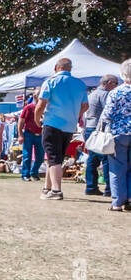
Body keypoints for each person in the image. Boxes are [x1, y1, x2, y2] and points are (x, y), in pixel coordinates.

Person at [34, 57, 89, 200]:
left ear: (56, 68)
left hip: (52, 123)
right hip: (69, 126)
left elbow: (40, 105)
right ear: (70, 69)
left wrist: (37, 119)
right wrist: (75, 115)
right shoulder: (80, 84)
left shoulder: (50, 82)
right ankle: (47, 188)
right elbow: (85, 106)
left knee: (53, 158)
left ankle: (56, 191)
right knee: (55, 158)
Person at [100, 59, 131, 211]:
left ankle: (118, 202)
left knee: (117, 168)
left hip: (119, 134)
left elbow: (107, 115)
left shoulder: (115, 92)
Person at [84, 74, 118, 196]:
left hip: (89, 127)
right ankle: (109, 189)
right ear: (109, 83)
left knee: (92, 159)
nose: (116, 86)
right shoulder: (105, 94)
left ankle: (91, 187)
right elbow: (108, 112)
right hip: (100, 129)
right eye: (115, 83)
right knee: (106, 159)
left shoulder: (91, 94)